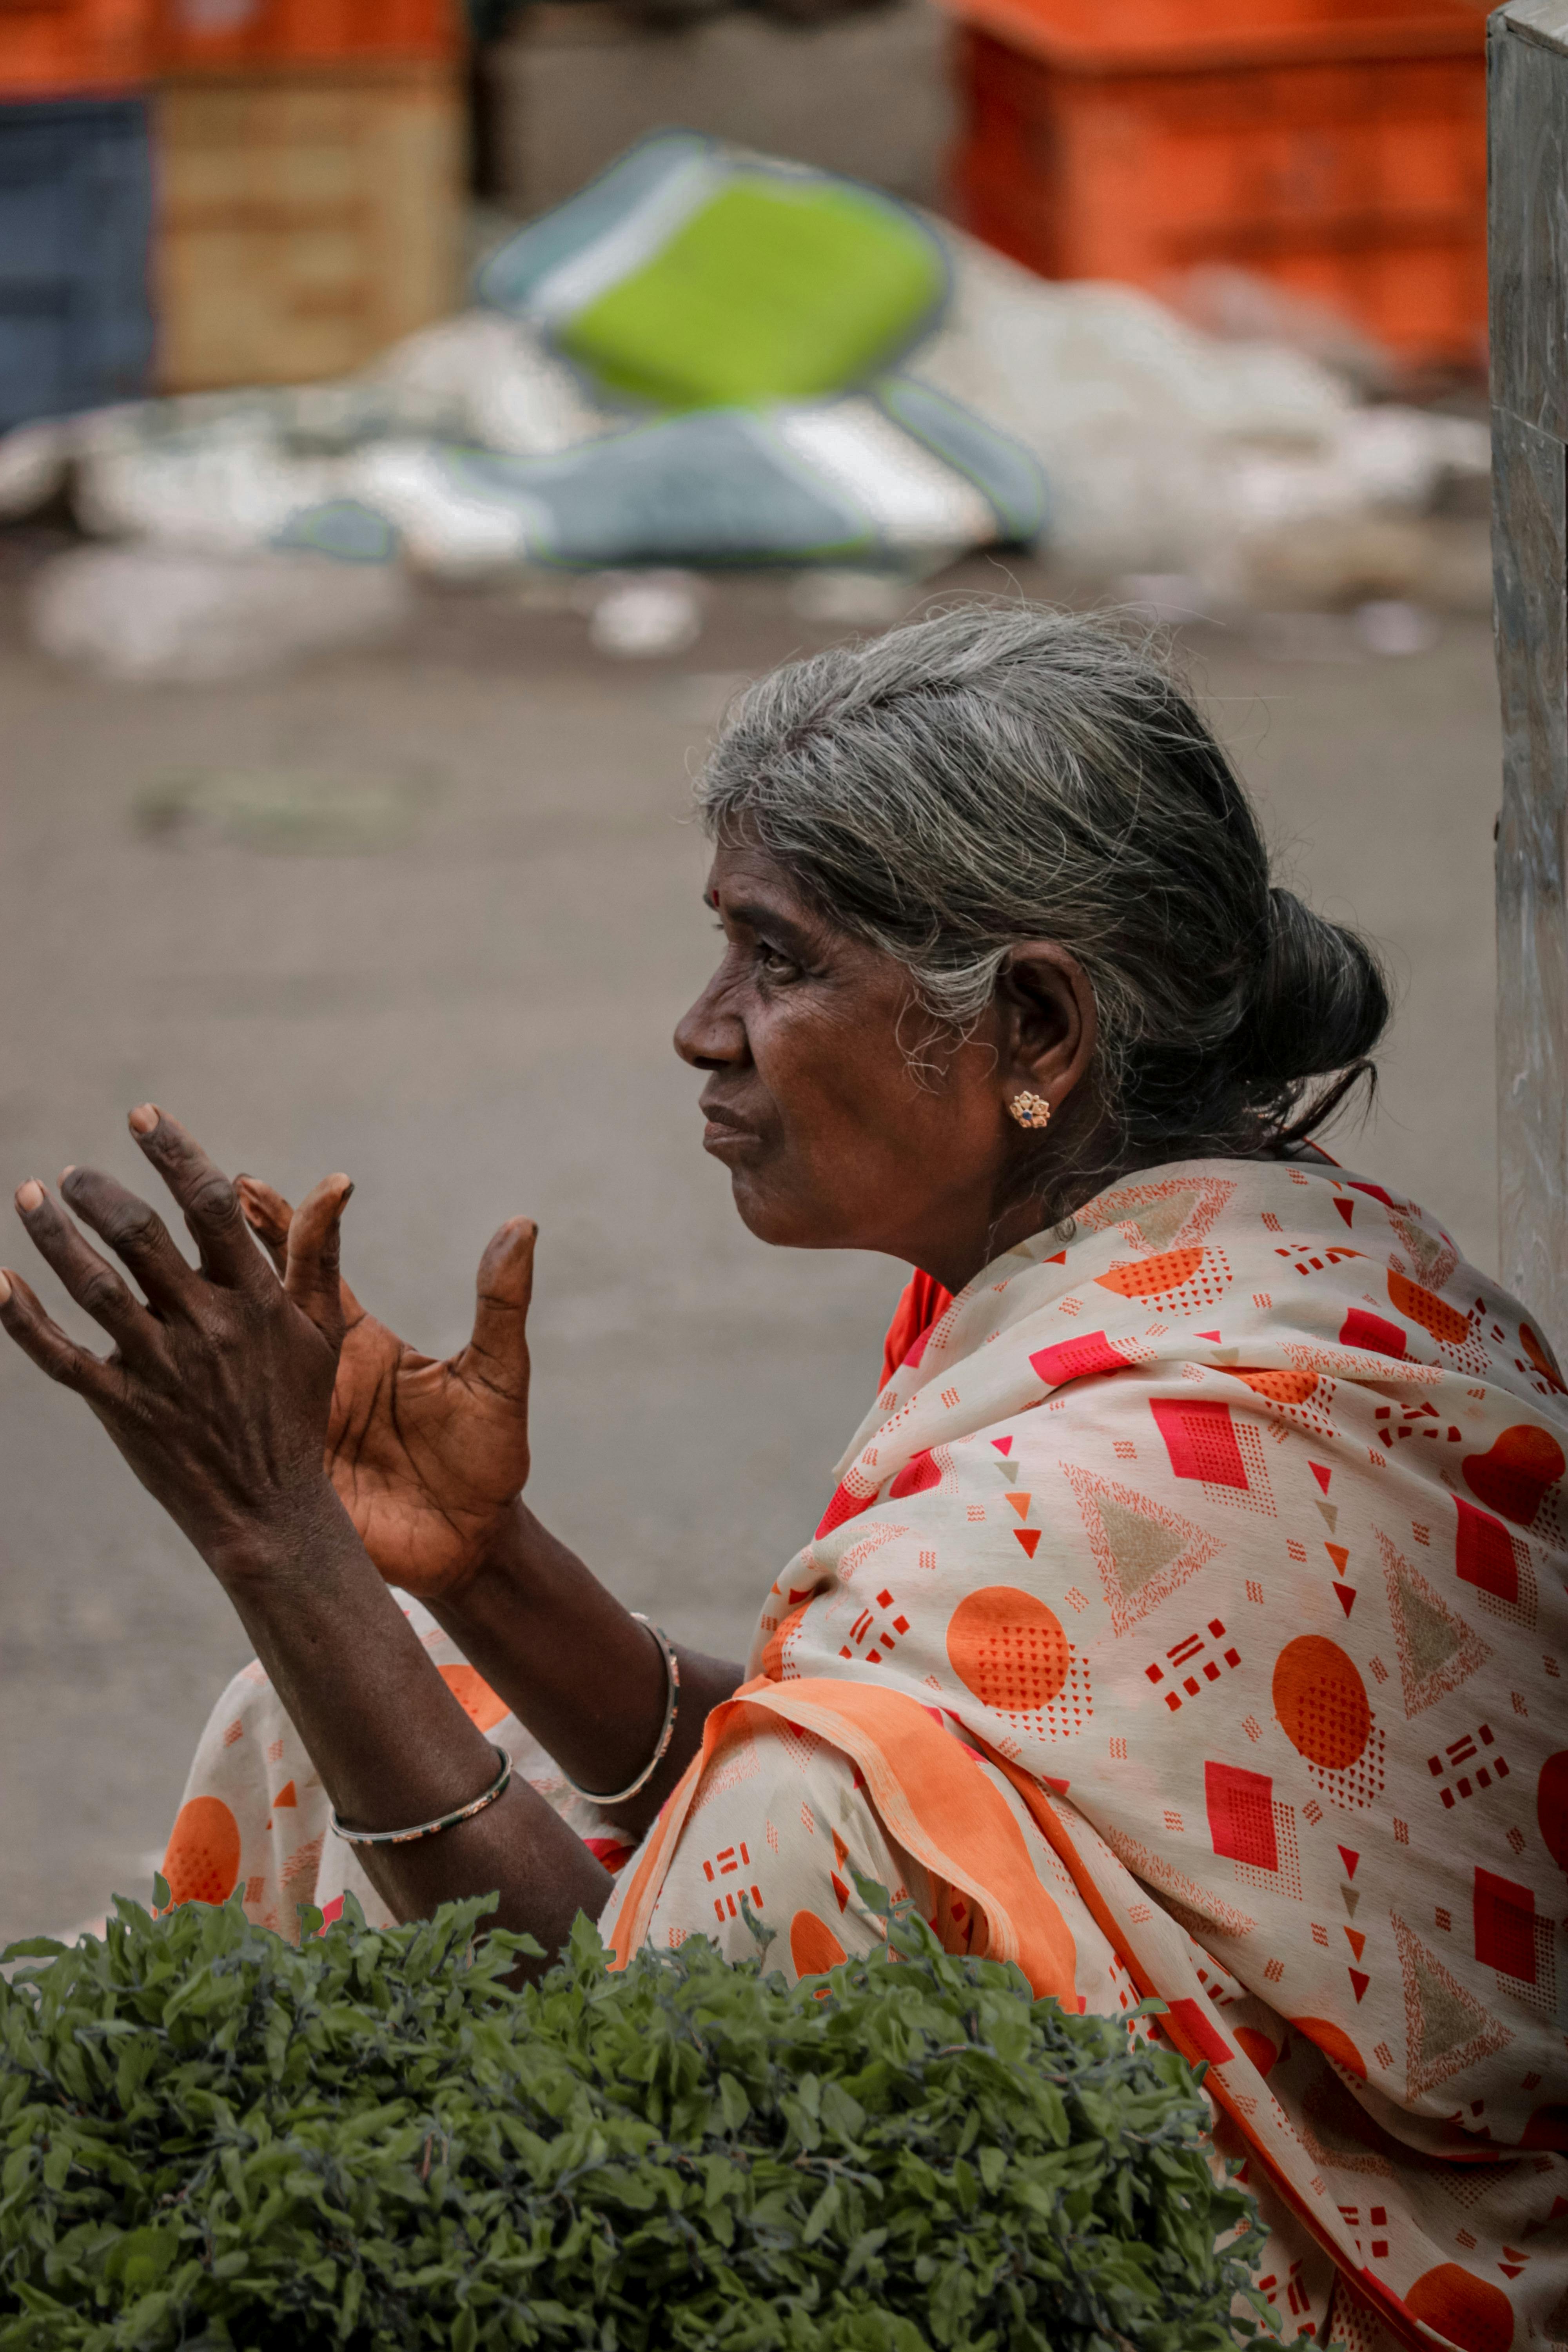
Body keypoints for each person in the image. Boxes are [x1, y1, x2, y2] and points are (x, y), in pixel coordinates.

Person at [4, 607, 1564, 2352]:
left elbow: (679, 2085)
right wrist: (479, 1564)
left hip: (1290, 2277)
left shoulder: (1112, 1460)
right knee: (326, 1723)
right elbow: (937, 1817)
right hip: (1209, 2116)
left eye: (775, 959)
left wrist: (275, 1540)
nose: (703, 1029)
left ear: (1034, 1027)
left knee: (777, 1798)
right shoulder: (1292, 1253)